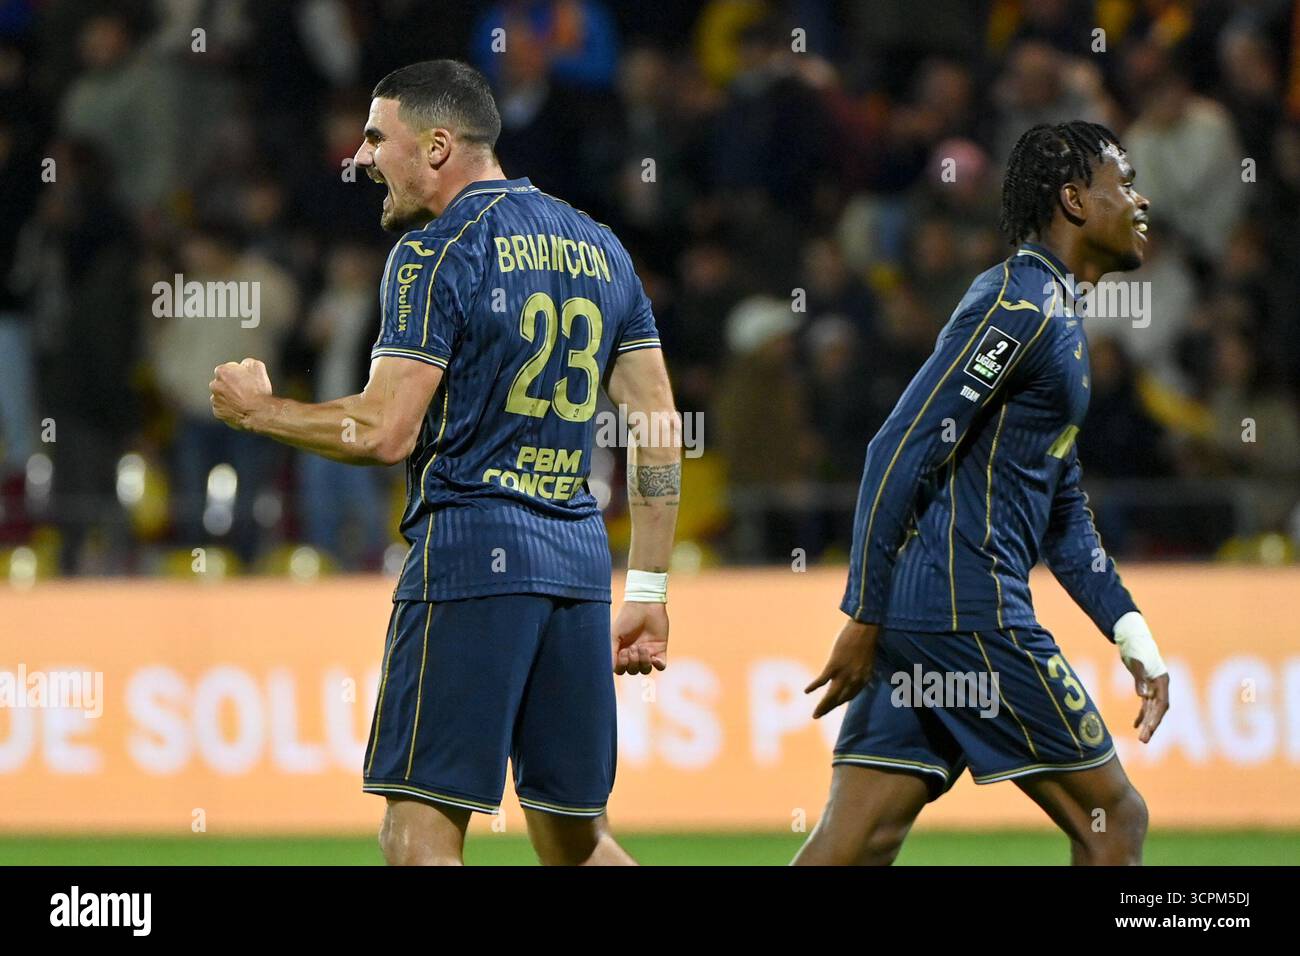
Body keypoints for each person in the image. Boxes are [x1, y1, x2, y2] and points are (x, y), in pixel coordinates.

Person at [209, 60, 680, 865]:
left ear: (435, 147)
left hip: (471, 556)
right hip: (575, 567)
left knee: (417, 839)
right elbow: (659, 425)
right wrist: (649, 588)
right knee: (579, 843)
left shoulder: (436, 252)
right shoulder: (601, 249)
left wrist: (262, 412)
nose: (359, 158)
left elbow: (386, 431)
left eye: (374, 136)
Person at [794, 122, 1170, 866]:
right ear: (1071, 200)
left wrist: (1131, 634)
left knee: (856, 843)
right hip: (969, 614)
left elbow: (1063, 515)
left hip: (926, 619)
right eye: (1122, 184)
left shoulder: (1058, 315)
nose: (1141, 200)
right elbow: (897, 446)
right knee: (1114, 819)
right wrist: (862, 611)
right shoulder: (1017, 304)